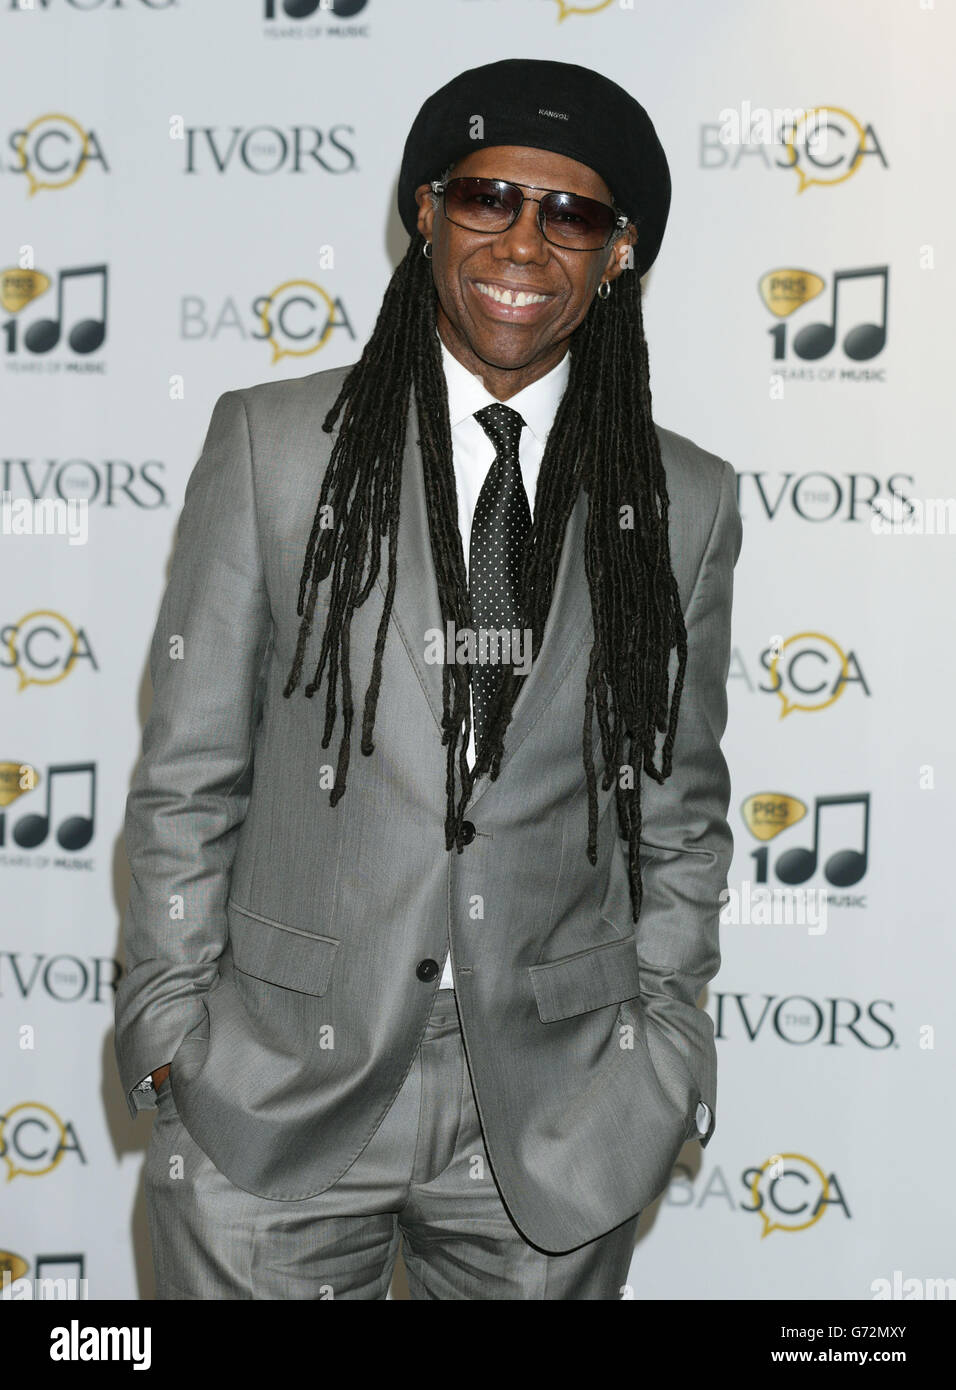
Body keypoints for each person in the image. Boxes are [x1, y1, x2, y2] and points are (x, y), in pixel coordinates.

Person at [114, 56, 743, 1301]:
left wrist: (661, 1051)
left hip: (555, 1109)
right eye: (486, 197)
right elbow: (189, 774)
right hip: (273, 1082)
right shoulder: (276, 445)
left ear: (617, 254)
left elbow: (677, 812)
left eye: (570, 214)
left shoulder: (684, 498)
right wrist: (169, 1033)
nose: (523, 241)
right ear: (424, 215)